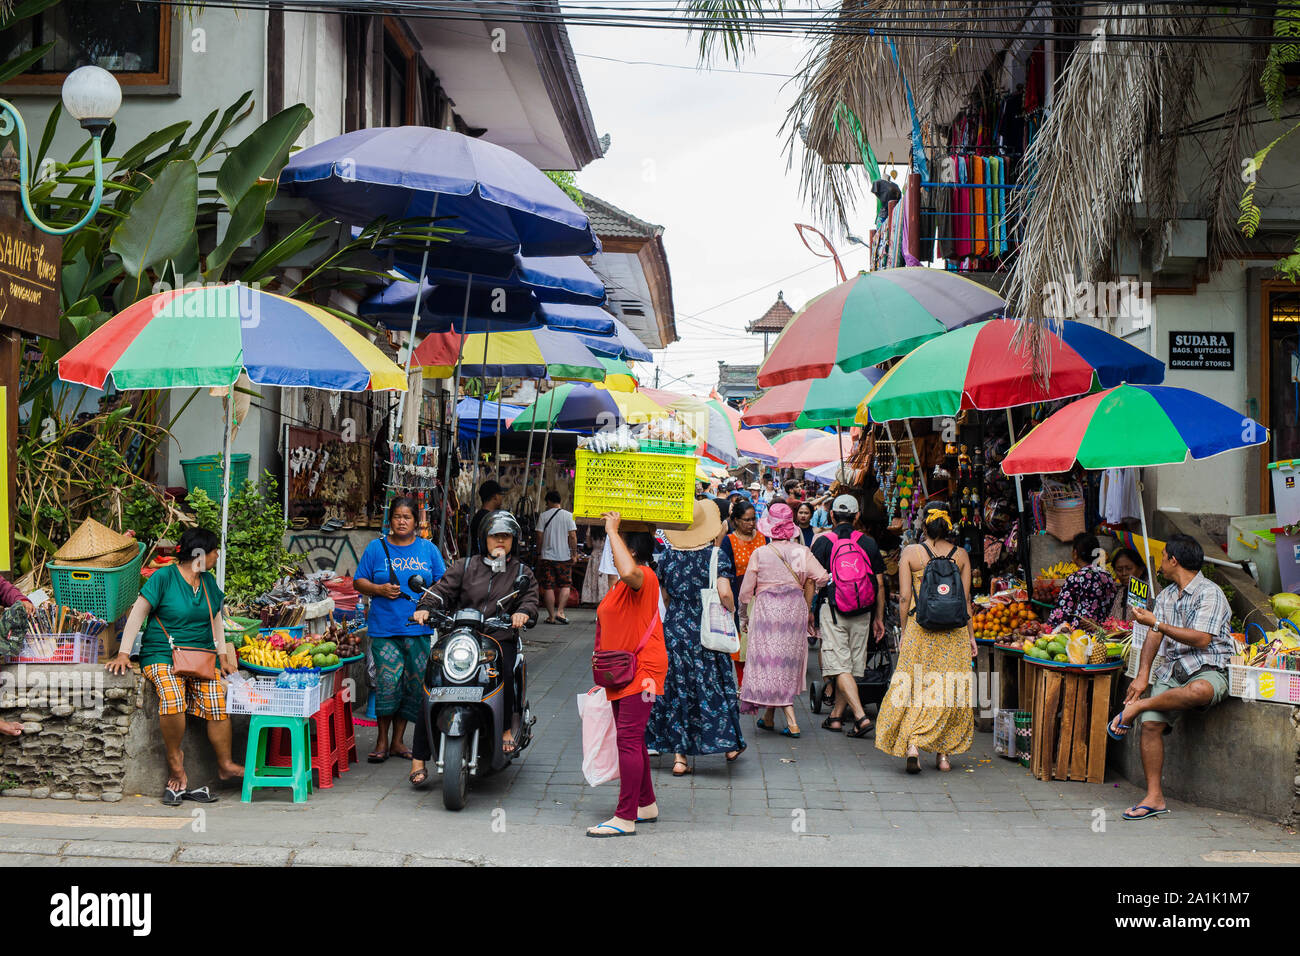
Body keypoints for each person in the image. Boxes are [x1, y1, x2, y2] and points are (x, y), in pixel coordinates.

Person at [105, 528, 242, 805]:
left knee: (217, 698)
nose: (217, 555)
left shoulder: (207, 582)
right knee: (173, 695)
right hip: (161, 655)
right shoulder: (164, 577)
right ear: (200, 554)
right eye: (215, 550)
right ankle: (174, 760)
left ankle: (225, 764)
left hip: (200, 657)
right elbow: (137, 614)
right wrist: (123, 654)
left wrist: (223, 656)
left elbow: (215, 621)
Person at [1108, 534, 1233, 821]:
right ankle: (1154, 797)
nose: (1160, 562)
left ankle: (1138, 707)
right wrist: (1142, 676)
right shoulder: (1165, 595)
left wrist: (1158, 623)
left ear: (1173, 560)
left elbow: (1202, 639)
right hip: (1174, 671)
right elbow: (1154, 635)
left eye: (1163, 556)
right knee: (1151, 724)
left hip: (1209, 668)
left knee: (1200, 690)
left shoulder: (1209, 593)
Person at [408, 511, 539, 786]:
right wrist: (425, 607)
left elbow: (529, 599)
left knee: (503, 668)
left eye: (506, 536)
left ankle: (505, 729)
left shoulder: (521, 572)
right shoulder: (465, 566)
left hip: (498, 637)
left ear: (514, 540)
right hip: (461, 638)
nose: (501, 541)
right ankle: (418, 759)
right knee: (432, 683)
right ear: (484, 539)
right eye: (495, 536)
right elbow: (440, 590)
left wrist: (523, 613)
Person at [646, 498, 746, 774]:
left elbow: (663, 596)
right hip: (707, 632)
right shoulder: (717, 557)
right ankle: (728, 744)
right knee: (713, 685)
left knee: (677, 689)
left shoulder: (666, 557)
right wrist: (731, 610)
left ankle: (679, 758)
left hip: (675, 632)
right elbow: (725, 593)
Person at [875, 508, 976, 773]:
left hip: (921, 629)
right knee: (948, 690)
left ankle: (913, 745)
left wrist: (905, 631)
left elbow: (906, 598)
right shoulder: (961, 555)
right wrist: (971, 637)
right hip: (954, 634)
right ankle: (943, 756)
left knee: (915, 688)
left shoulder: (911, 553)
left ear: (924, 526)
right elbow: (965, 602)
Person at [586, 513, 667, 838]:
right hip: (624, 670)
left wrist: (611, 529)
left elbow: (628, 570)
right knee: (632, 738)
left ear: (629, 548)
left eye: (615, 542)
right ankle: (645, 804)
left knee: (629, 740)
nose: (609, 546)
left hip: (642, 671)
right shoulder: (624, 583)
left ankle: (625, 816)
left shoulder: (643, 576)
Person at [354, 497, 447, 762]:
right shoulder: (375, 548)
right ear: (389, 520)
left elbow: (442, 582)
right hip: (385, 629)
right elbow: (358, 581)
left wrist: (430, 604)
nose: (402, 521)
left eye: (407, 517)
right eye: (397, 516)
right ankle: (381, 741)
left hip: (418, 630)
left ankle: (398, 741)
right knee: (387, 682)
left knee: (413, 685)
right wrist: (378, 589)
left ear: (416, 522)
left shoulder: (428, 550)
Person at [739, 502, 829, 736]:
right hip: (794, 612)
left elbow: (745, 592)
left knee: (769, 661)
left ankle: (792, 720)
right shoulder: (802, 552)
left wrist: (742, 615)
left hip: (767, 611)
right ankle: (769, 717)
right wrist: (805, 592)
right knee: (785, 663)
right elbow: (821, 577)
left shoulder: (760, 553)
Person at [810, 494, 886, 738]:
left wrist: (809, 611)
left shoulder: (822, 542)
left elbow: (813, 582)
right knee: (852, 666)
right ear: (856, 517)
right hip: (863, 611)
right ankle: (835, 718)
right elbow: (880, 584)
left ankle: (860, 717)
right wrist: (879, 618)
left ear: (831, 515)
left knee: (839, 666)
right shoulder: (869, 543)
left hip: (832, 610)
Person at [720, 499, 766, 683]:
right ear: (736, 521)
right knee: (741, 639)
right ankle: (742, 682)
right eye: (746, 520)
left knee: (760, 639)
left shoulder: (763, 538)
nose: (751, 523)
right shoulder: (728, 541)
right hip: (738, 596)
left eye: (753, 519)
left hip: (761, 596)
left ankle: (758, 681)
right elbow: (724, 572)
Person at [1047, 533, 1120, 628]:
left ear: (1075, 553)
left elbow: (1062, 611)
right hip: (1102, 631)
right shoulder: (1107, 576)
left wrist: (1048, 626)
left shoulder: (1075, 578)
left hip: (1081, 632)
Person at [536, 490, 578, 625]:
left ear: (548, 501)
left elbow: (539, 537)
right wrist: (574, 553)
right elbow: (572, 536)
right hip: (564, 556)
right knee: (565, 585)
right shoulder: (569, 516)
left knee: (548, 586)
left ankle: (551, 616)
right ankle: (560, 611)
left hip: (547, 557)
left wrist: (539, 552)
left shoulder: (543, 516)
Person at [1108, 546, 1149, 621]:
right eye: (1119, 570)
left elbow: (1134, 623)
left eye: (1129, 569)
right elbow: (1112, 621)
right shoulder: (1122, 590)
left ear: (1141, 569)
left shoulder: (1142, 587)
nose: (1124, 573)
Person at [468, 480, 505, 556]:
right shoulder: (488, 519)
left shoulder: (479, 516)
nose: (502, 498)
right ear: (495, 497)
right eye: (501, 495)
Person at [580, 524, 614, 605]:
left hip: (595, 556)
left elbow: (589, 545)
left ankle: (598, 605)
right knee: (606, 581)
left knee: (594, 581)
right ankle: (606, 603)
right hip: (607, 556)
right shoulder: (609, 527)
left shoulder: (591, 527)